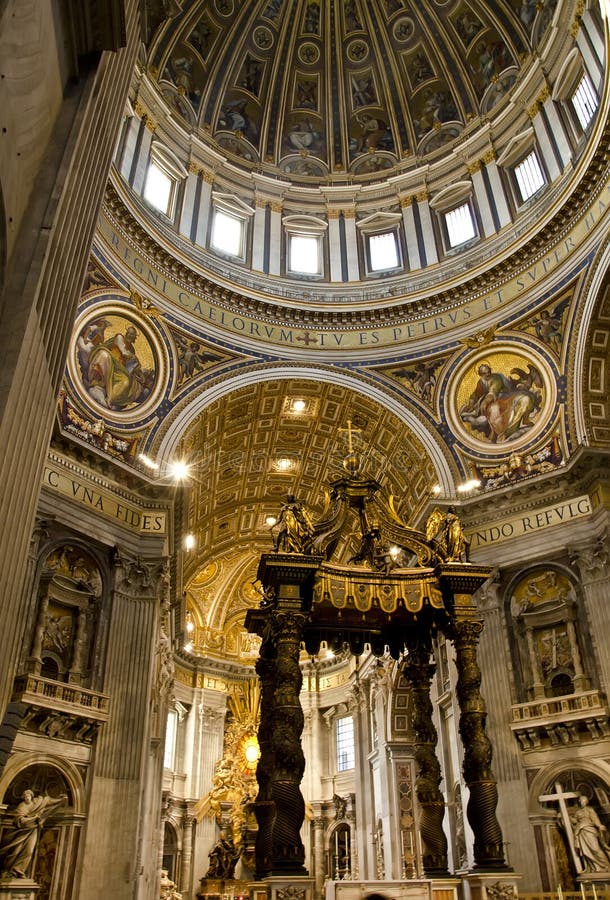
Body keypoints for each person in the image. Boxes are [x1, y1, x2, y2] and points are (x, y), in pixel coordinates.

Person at [0, 788, 67, 878]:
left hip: (33, 830)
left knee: (29, 851)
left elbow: (47, 801)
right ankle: (9, 870)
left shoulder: (37, 802)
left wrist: (60, 800)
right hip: (20, 832)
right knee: (15, 852)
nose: (26, 797)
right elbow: (20, 821)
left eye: (28, 795)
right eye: (25, 796)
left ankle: (18, 870)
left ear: (31, 796)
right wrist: (34, 818)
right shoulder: (21, 806)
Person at [570, 795, 610, 872]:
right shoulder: (578, 812)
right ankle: (594, 867)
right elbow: (575, 821)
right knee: (586, 852)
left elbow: (595, 818)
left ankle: (606, 865)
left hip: (590, 830)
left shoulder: (589, 810)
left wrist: (599, 825)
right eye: (581, 801)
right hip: (581, 832)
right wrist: (569, 818)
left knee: (595, 849)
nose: (582, 802)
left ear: (586, 802)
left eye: (583, 801)